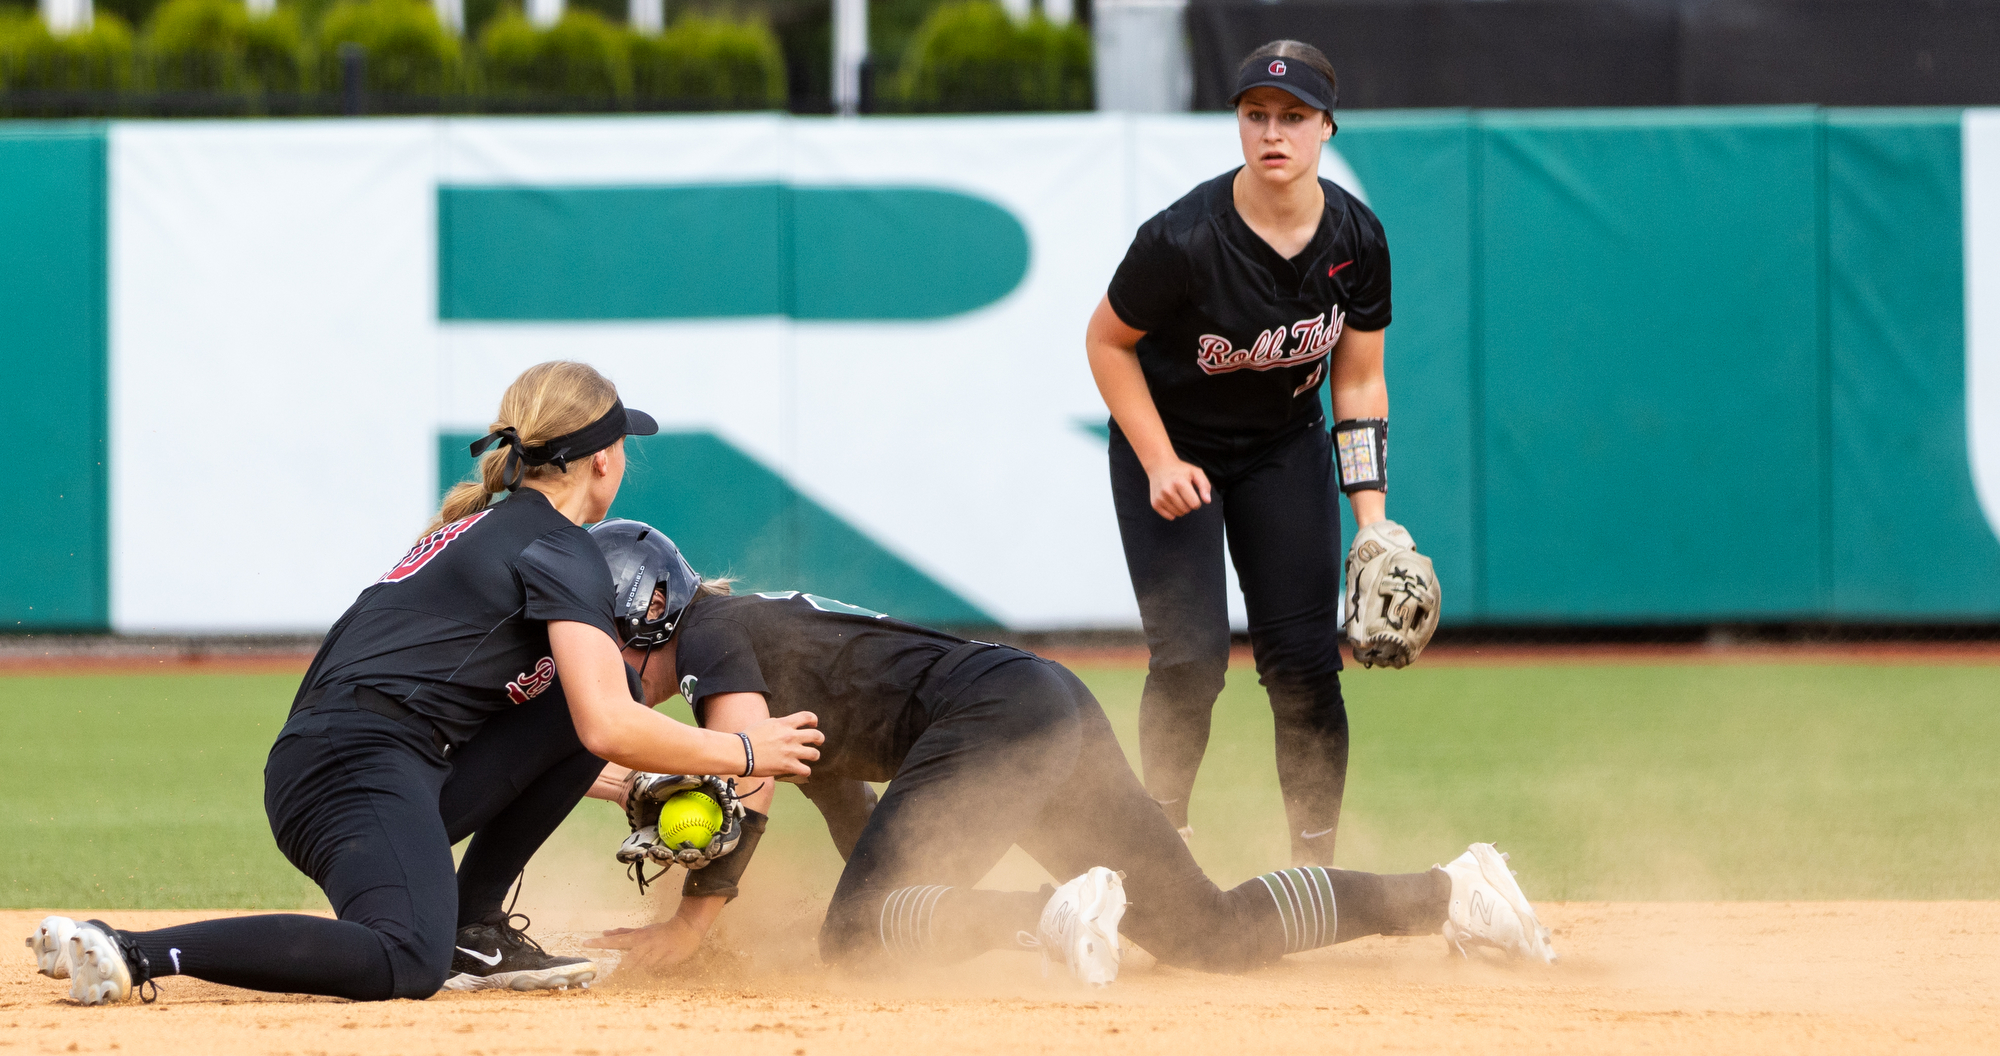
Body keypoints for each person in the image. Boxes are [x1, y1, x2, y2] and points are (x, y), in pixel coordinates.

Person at [25, 362, 824, 1006]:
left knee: (591, 687)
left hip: (364, 759)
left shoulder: (482, 525)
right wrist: (744, 749)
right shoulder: (561, 547)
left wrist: (640, 779)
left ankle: (475, 931)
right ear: (604, 459)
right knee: (405, 957)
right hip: (355, 767)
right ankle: (134, 949)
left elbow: (585, 722)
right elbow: (610, 724)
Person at [577, 521, 1553, 984]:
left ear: (648, 607)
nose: (598, 662)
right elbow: (848, 815)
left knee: (852, 939)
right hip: (1035, 707)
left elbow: (745, 767)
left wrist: (693, 929)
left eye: (602, 638)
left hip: (996, 721)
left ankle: (1049, 914)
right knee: (1204, 932)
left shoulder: (708, 634)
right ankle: (1450, 892)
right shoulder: (746, 638)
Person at [1083, 39, 1425, 866]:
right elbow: (1105, 342)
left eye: (1294, 117)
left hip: (1282, 446)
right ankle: (1162, 855)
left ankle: (1316, 869)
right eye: (1256, 115)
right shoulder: (1182, 239)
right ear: (1238, 123)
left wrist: (1372, 522)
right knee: (1191, 660)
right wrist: (1160, 460)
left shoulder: (1357, 239)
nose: (1274, 133)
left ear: (1326, 128)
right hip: (1173, 455)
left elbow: (1358, 381)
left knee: (1305, 664)